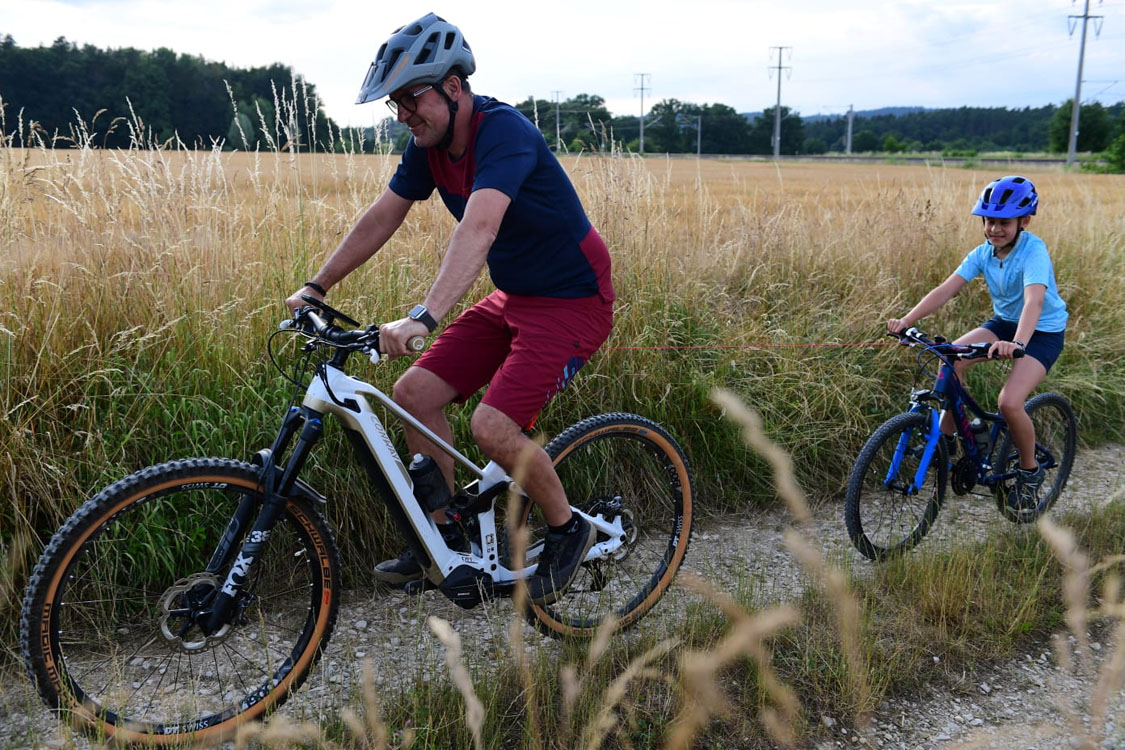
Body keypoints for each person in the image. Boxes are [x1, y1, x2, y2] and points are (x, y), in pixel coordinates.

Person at [284, 13, 614, 605]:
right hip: (514, 295)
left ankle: (570, 529)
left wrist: (424, 318)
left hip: (571, 298)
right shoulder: (429, 147)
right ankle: (443, 536)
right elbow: (384, 214)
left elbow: (479, 228)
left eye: (413, 98)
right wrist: (318, 286)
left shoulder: (503, 132)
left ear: (454, 87)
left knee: (492, 427)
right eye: (396, 104)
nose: (406, 114)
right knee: (414, 394)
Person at [887, 175, 1067, 510]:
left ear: (1024, 221)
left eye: (1004, 222)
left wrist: (1017, 343)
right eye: (989, 221)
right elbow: (946, 289)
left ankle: (1029, 472)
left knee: (1010, 404)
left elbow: (1034, 302)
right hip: (1004, 324)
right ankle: (951, 442)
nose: (994, 229)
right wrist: (907, 322)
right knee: (950, 359)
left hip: (1041, 332)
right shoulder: (983, 253)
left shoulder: (1034, 252)